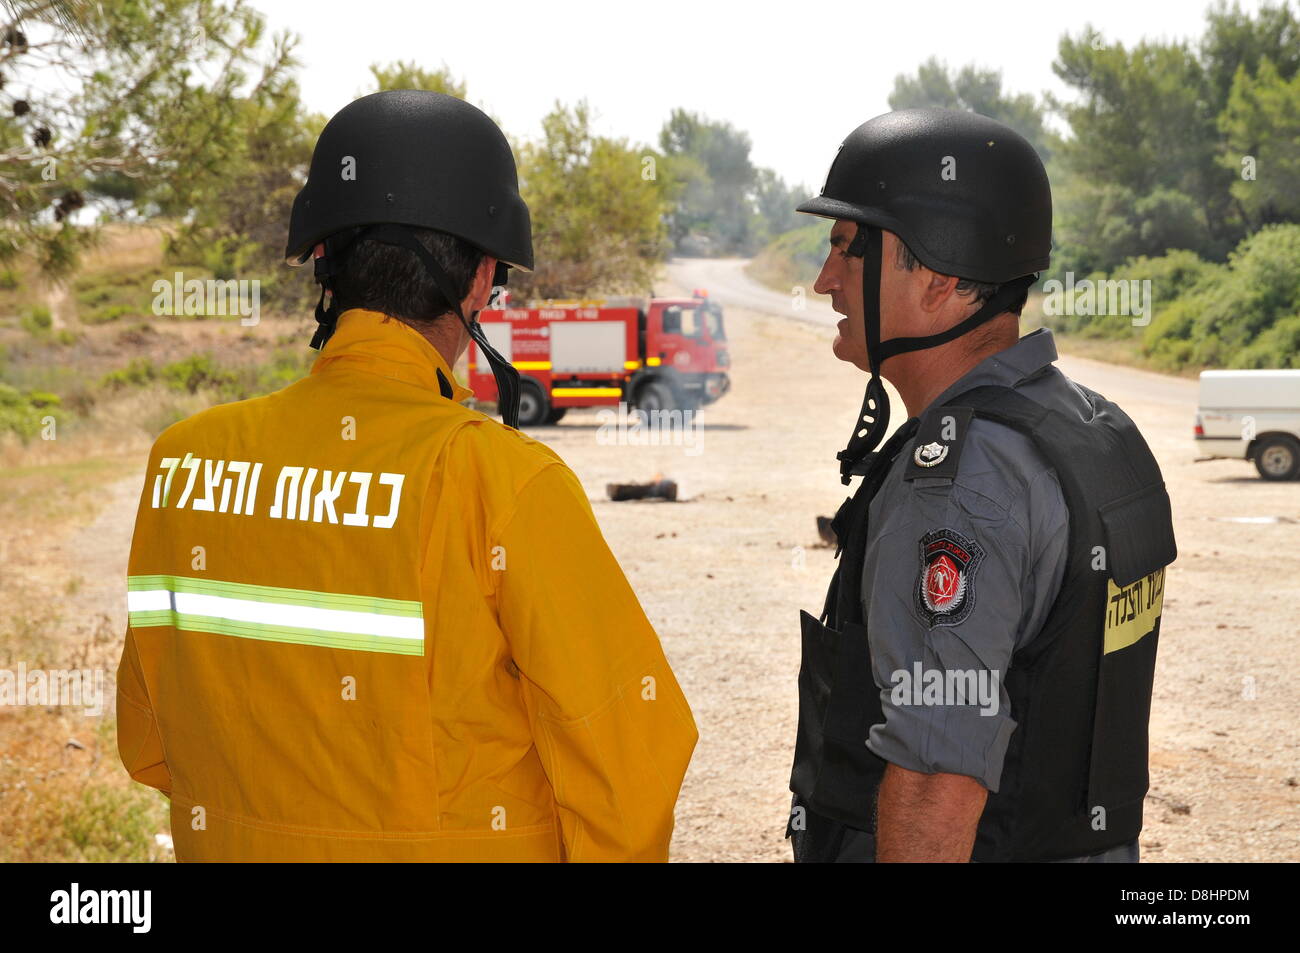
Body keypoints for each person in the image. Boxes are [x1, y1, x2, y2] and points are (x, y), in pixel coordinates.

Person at [116, 90, 697, 862]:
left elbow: (148, 743)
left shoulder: (185, 461)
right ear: (482, 280)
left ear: (323, 264)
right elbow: (627, 768)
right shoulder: (502, 482)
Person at [786, 108, 1177, 862]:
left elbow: (938, 779)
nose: (822, 281)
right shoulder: (1095, 429)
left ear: (935, 278)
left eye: (847, 250)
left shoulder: (961, 484)